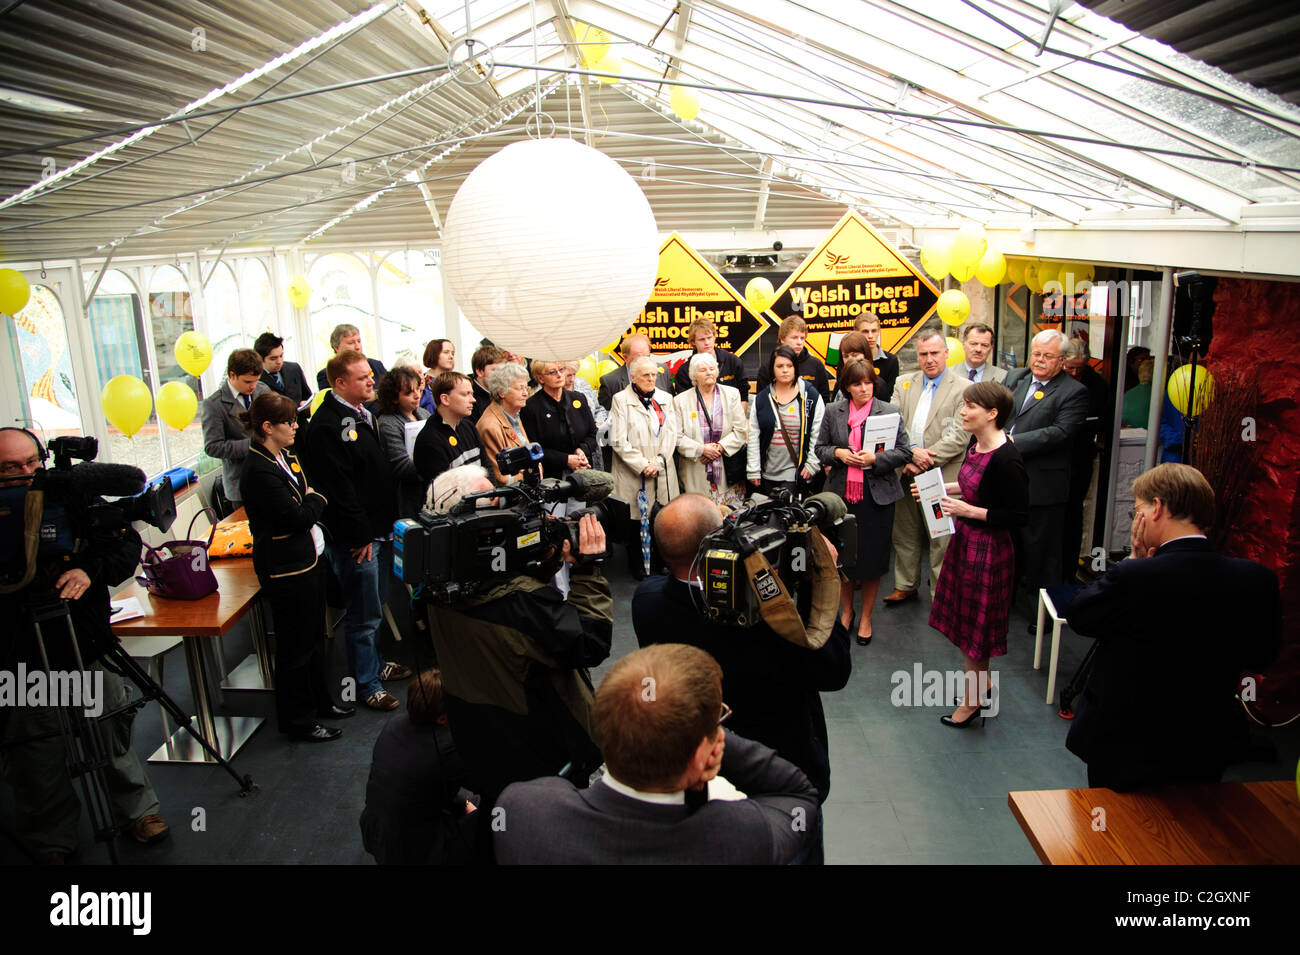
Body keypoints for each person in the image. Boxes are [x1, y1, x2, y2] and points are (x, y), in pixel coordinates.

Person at [633, 495, 850, 863]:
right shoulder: (774, 625)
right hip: (782, 777)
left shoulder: (647, 601)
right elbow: (834, 669)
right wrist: (816, 580)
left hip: (705, 774)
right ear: (716, 548)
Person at [0, 427, 169, 862]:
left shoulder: (72, 493)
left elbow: (125, 548)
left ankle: (138, 811)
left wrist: (88, 571)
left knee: (108, 727)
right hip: (23, 654)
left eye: (32, 463)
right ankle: (50, 837)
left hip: (85, 640)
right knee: (37, 749)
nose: (26, 474)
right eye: (11, 469)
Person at [495, 644, 819, 865]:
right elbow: (796, 794)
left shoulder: (523, 814)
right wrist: (707, 733)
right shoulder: (738, 836)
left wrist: (696, 733)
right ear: (703, 756)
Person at [1065, 463, 1280, 790]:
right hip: (1208, 744)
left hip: (1127, 745)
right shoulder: (1257, 579)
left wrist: (1134, 561)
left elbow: (1079, 616)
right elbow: (1260, 656)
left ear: (1157, 509)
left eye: (1136, 511)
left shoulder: (1134, 577)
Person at [422, 465, 613, 827]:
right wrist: (588, 569)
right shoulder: (520, 605)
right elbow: (590, 643)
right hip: (544, 756)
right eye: (494, 504)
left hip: (482, 742)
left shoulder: (438, 583)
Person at [303, 349, 411, 712]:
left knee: (375, 606)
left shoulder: (364, 414)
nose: (372, 381)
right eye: (363, 377)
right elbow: (338, 489)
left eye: (370, 375)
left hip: (378, 530)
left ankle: (377, 665)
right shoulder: (326, 426)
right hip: (357, 539)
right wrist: (359, 536)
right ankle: (365, 685)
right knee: (363, 617)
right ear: (340, 383)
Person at [238, 392, 350, 742]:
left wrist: (309, 499)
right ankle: (298, 721)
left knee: (315, 639)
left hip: (308, 561)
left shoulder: (286, 456)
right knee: (294, 650)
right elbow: (298, 515)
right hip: (286, 570)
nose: (296, 426)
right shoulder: (257, 470)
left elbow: (303, 496)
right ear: (268, 427)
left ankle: (321, 702)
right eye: (289, 422)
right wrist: (315, 499)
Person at [924, 382, 1028, 728]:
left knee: (977, 634)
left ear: (992, 414)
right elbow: (972, 486)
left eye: (970, 407)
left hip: (988, 551)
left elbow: (1015, 516)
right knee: (967, 626)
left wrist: (965, 510)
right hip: (966, 544)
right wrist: (940, 488)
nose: (963, 412)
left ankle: (972, 703)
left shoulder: (1007, 459)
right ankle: (977, 689)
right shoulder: (977, 445)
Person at [814, 360, 910, 646]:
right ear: (847, 387)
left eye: (868, 382)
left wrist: (875, 459)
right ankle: (847, 612)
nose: (864, 388)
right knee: (845, 559)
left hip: (877, 498)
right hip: (842, 498)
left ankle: (866, 616)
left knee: (872, 560)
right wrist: (840, 454)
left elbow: (905, 451)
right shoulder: (834, 411)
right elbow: (820, 449)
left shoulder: (889, 411)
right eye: (857, 383)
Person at [885, 328, 970, 605]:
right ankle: (905, 585)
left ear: (946, 353)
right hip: (905, 472)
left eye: (935, 353)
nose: (929, 359)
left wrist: (923, 461)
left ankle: (941, 593)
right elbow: (893, 423)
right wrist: (909, 455)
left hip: (941, 475)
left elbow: (960, 434)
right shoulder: (903, 383)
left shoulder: (964, 388)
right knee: (905, 533)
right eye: (923, 354)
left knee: (940, 537)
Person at [360, 669, 477, 865]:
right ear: (441, 718)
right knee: (493, 810)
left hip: (376, 833)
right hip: (414, 851)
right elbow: (490, 782)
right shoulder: (448, 748)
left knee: (464, 801)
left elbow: (420, 780)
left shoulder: (395, 724)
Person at [1004, 329, 1089, 589]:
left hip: (1042, 486)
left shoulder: (1074, 392)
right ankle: (1009, 601)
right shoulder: (1016, 378)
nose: (1039, 360)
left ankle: (1042, 613)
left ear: (1062, 360)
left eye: (1048, 356)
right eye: (1036, 354)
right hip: (1008, 479)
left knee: (1041, 552)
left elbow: (1060, 432)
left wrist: (1012, 442)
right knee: (1009, 546)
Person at [610, 354, 681, 578]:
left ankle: (661, 562)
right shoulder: (620, 400)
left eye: (654, 374)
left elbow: (672, 435)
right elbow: (618, 440)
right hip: (634, 473)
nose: (651, 379)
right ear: (633, 377)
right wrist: (642, 465)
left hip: (661, 469)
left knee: (661, 518)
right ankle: (639, 566)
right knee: (637, 521)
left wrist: (659, 462)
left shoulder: (667, 399)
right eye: (645, 375)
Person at [749, 344, 825, 499]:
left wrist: (812, 464)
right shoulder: (762, 399)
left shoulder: (810, 396)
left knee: (786, 518)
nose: (785, 370)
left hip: (795, 475)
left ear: (795, 367)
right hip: (768, 474)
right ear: (772, 369)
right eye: (780, 366)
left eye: (789, 366)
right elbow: (753, 436)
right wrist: (753, 469)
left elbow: (818, 432)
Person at [671, 352, 747, 505]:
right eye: (703, 370)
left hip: (728, 472)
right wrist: (701, 449)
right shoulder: (680, 401)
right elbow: (676, 437)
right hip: (696, 472)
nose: (709, 372)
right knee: (700, 521)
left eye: (712, 369)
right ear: (694, 375)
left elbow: (740, 430)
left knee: (729, 520)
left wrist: (718, 448)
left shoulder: (732, 394)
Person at [1062, 340, 1110, 578]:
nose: (1074, 373)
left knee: (1073, 514)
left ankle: (1069, 568)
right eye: (1070, 368)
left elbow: (1105, 419)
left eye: (1079, 368)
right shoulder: (1056, 382)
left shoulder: (1098, 385)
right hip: (1054, 459)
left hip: (1080, 457)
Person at [200, 347, 269, 508]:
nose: (253, 386)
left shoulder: (262, 390)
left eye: (256, 380)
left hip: (270, 475)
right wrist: (253, 444)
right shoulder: (214, 405)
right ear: (232, 375)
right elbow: (212, 447)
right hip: (241, 483)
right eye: (247, 381)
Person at [521, 359, 600, 480]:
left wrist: (582, 450)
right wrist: (566, 460)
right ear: (541, 378)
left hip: (583, 472)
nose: (559, 375)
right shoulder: (531, 407)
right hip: (552, 478)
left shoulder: (578, 398)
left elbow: (593, 433)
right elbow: (533, 448)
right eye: (552, 372)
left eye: (561, 370)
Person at [374, 364, 431, 520]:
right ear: (394, 398)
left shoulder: (424, 413)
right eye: (408, 393)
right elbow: (402, 466)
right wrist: (434, 463)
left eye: (418, 390)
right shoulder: (387, 422)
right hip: (409, 498)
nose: (417, 395)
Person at [413, 371, 481, 486]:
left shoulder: (469, 427)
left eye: (472, 394)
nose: (473, 400)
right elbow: (445, 493)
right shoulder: (429, 440)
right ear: (445, 399)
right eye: (465, 394)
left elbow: (487, 467)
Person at [476, 362, 538, 486]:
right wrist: (531, 472)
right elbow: (500, 477)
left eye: (526, 388)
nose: (525, 393)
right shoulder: (490, 426)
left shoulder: (514, 413)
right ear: (501, 392)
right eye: (520, 388)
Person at [671, 317, 748, 399]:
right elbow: (683, 402)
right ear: (693, 342)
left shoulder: (732, 361)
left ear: (714, 337)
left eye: (709, 337)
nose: (707, 342)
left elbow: (743, 396)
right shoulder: (685, 370)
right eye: (702, 339)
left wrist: (739, 412)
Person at [755, 315, 830, 400]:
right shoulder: (767, 368)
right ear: (782, 339)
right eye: (794, 338)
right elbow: (761, 402)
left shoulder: (816, 365)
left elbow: (825, 400)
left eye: (802, 338)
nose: (799, 342)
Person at [254, 331, 313, 428]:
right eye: (273, 358)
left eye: (281, 356)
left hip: (302, 431)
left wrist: (307, 406)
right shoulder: (255, 380)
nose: (279, 361)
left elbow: (308, 397)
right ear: (261, 359)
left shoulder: (293, 369)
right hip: (277, 434)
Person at [598, 333, 670, 411]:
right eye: (639, 358)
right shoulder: (610, 382)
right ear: (625, 357)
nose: (644, 362)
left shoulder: (662, 371)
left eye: (647, 357)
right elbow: (605, 415)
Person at [315, 324, 386, 390]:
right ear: (337, 347)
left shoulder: (376, 365)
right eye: (351, 343)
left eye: (359, 341)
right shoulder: (326, 374)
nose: (357, 347)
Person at [855, 314, 899, 401]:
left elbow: (891, 394)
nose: (870, 336)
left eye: (874, 331)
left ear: (879, 331)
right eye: (865, 331)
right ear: (856, 332)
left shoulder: (891, 361)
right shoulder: (849, 360)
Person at [827, 330, 871, 403]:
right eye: (846, 356)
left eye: (855, 355)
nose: (850, 360)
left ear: (865, 355)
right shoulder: (840, 384)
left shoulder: (878, 384)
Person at [467, 344, 506, 424]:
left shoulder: (503, 394)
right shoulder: (469, 399)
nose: (500, 375)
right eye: (494, 370)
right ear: (479, 372)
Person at [564, 361, 607, 429]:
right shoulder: (556, 391)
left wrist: (598, 423)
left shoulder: (582, 383)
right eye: (568, 375)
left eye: (574, 374)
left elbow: (599, 409)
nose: (572, 379)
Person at [418, 338, 456, 414]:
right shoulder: (422, 383)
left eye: (453, 353)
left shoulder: (456, 382)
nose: (451, 356)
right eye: (446, 352)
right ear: (434, 354)